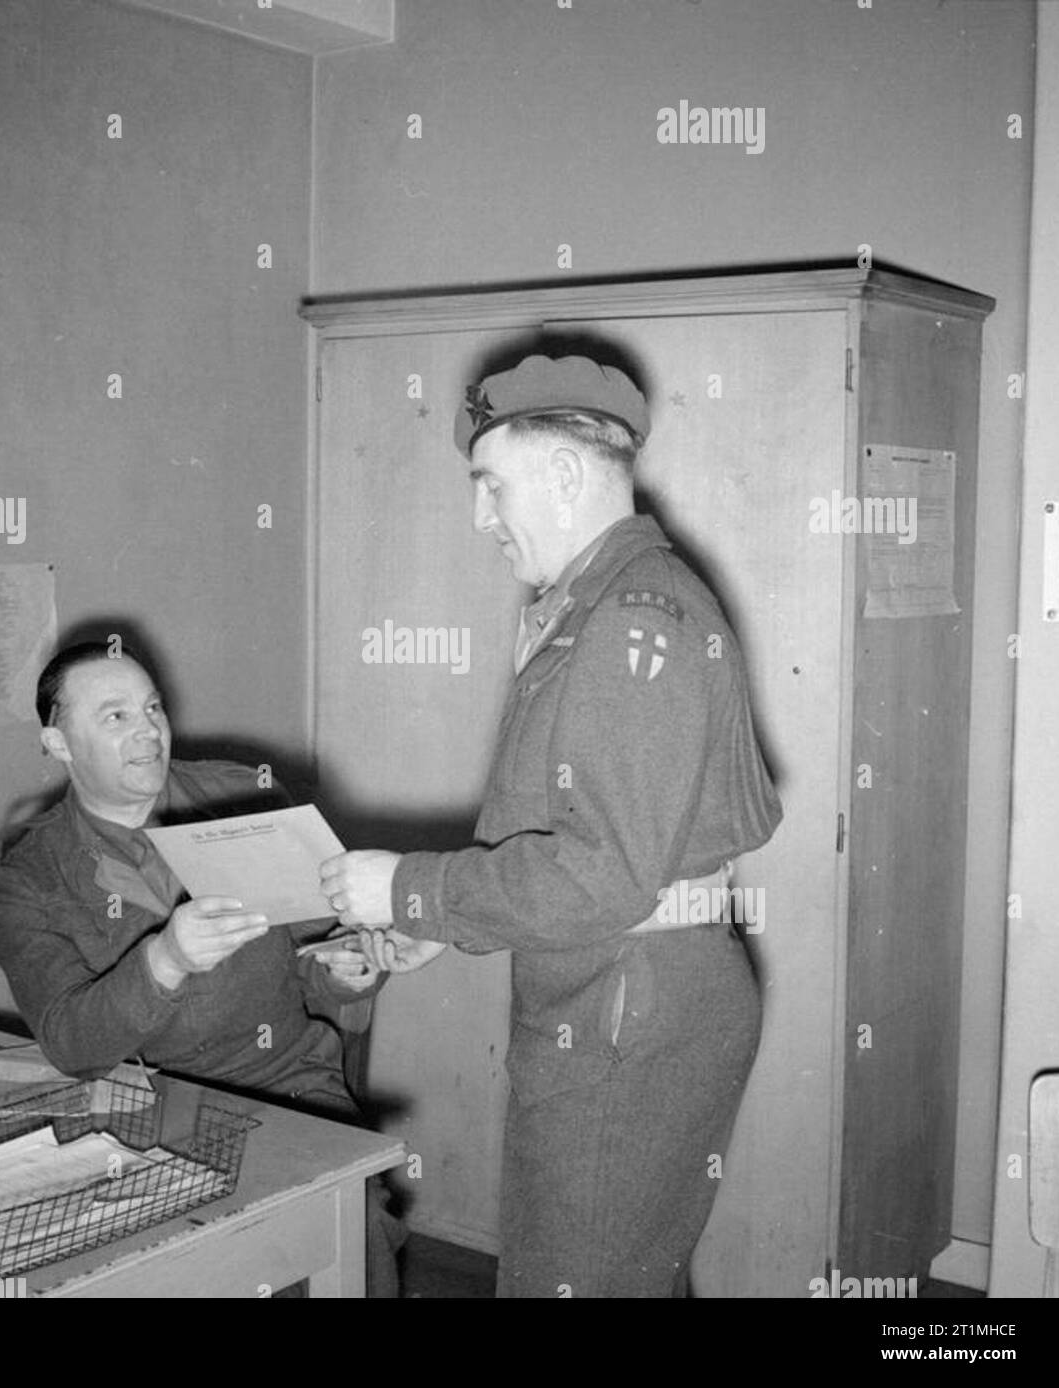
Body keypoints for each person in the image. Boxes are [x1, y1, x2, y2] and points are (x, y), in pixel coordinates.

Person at [320, 352, 783, 1298]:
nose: (480, 518)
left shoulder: (624, 618)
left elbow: (599, 876)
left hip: (624, 1001)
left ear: (566, 476)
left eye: (491, 486)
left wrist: (405, 888)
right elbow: (568, 839)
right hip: (626, 987)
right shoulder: (600, 601)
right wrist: (440, 925)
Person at [0, 639, 399, 1293]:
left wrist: (347, 968)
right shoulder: (30, 869)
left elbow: (317, 952)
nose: (147, 729)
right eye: (114, 716)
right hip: (132, 1112)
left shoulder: (242, 798)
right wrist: (165, 959)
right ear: (59, 744)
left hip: (282, 1088)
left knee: (345, 1228)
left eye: (152, 707)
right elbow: (69, 1041)